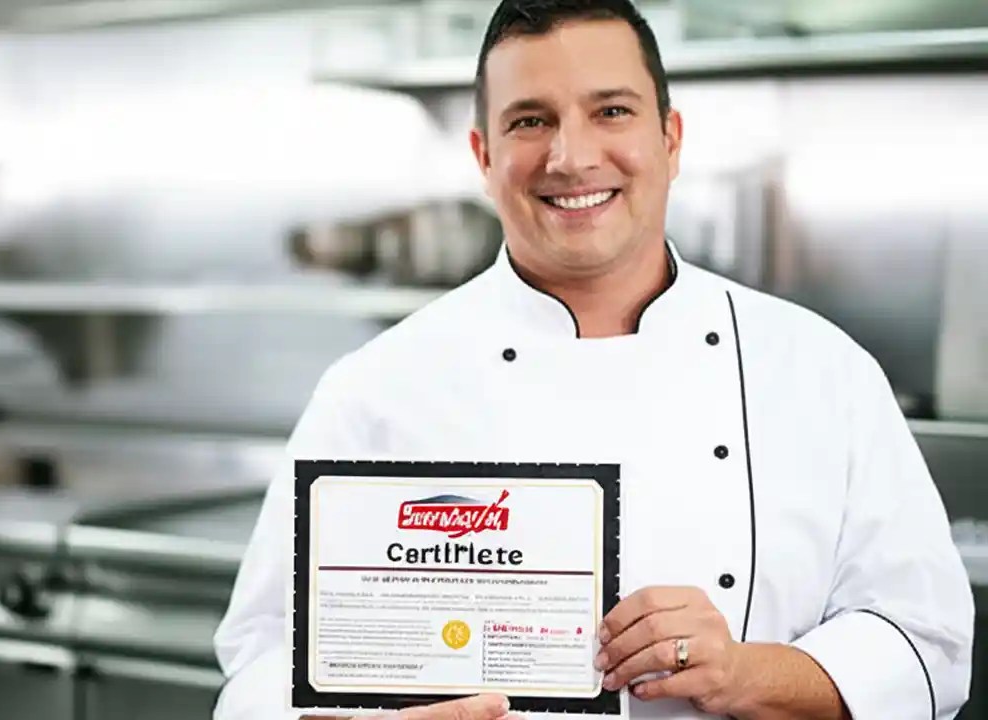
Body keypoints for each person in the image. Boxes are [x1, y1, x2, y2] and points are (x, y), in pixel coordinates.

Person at [213, 0, 975, 717]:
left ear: (670, 140)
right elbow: (258, 668)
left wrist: (745, 671)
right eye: (530, 120)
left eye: (610, 110)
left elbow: (926, 643)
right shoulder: (375, 392)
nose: (571, 156)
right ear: (483, 156)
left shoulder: (819, 371)